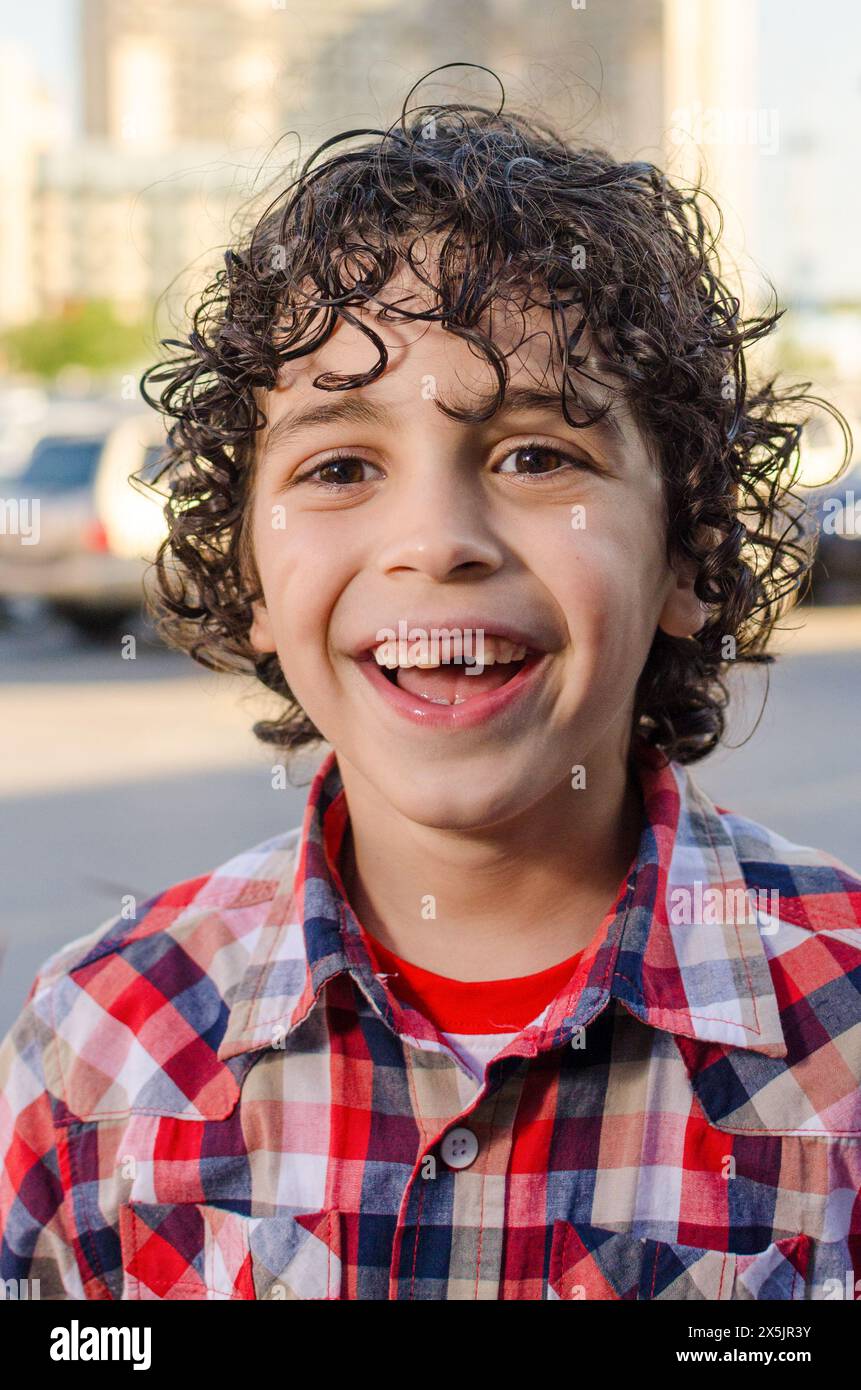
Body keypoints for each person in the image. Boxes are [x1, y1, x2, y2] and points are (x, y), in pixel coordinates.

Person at [2, 72, 859, 1302]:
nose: (436, 539)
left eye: (535, 454)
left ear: (687, 556)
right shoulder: (94, 1050)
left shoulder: (842, 1039)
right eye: (344, 464)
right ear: (248, 571)